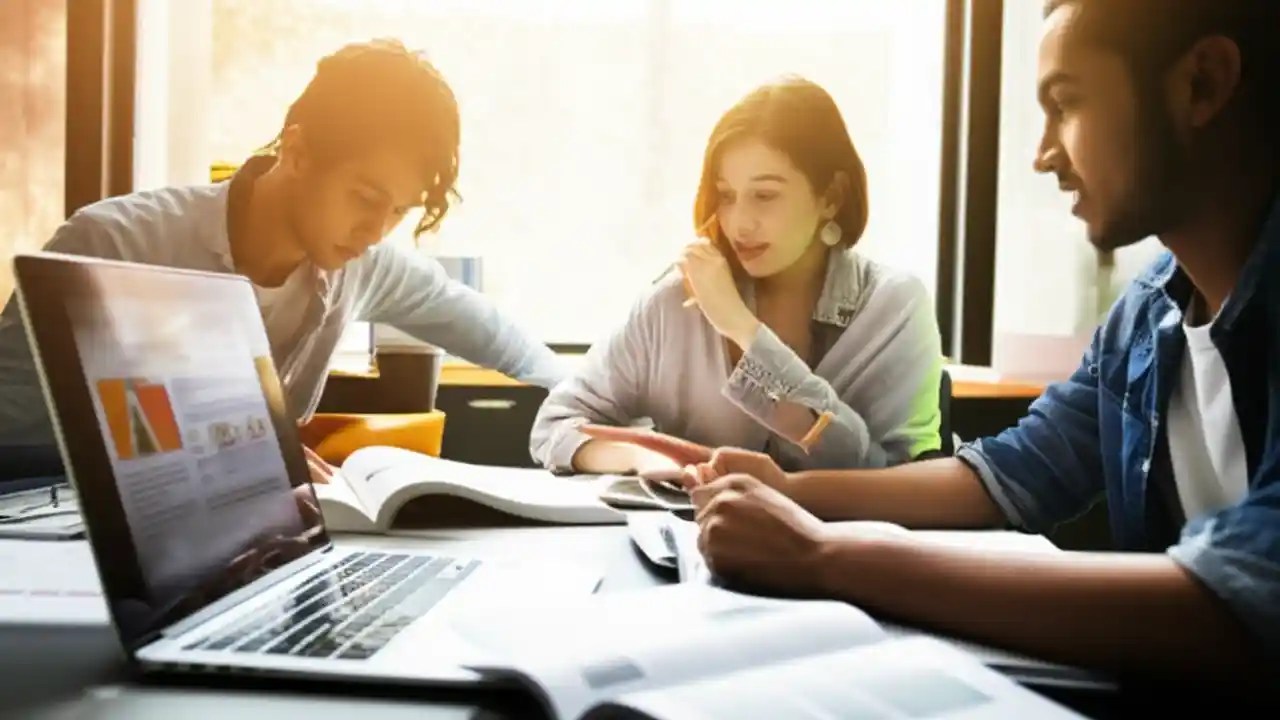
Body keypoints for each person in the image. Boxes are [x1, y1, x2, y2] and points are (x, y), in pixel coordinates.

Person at [601, 0, 1280, 687]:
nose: (1043, 154)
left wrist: (822, 555)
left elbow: (1234, 601)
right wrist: (793, 491)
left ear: (1202, 84)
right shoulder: (1144, 318)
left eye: (1066, 106)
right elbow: (1004, 476)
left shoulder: (893, 301)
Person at [0, 38, 567, 481]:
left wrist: (591, 417)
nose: (375, 231)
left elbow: (494, 333)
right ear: (296, 151)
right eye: (366, 199)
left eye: (398, 210)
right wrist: (215, 450)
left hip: (251, 549)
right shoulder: (114, 243)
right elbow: (10, 434)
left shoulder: (360, 266)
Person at [530, 78, 943, 477]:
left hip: (852, 546)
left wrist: (742, 328)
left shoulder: (896, 306)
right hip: (692, 545)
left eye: (765, 195)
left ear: (831, 197)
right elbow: (556, 425)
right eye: (726, 196)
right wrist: (643, 458)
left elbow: (880, 476)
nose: (740, 223)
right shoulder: (674, 302)